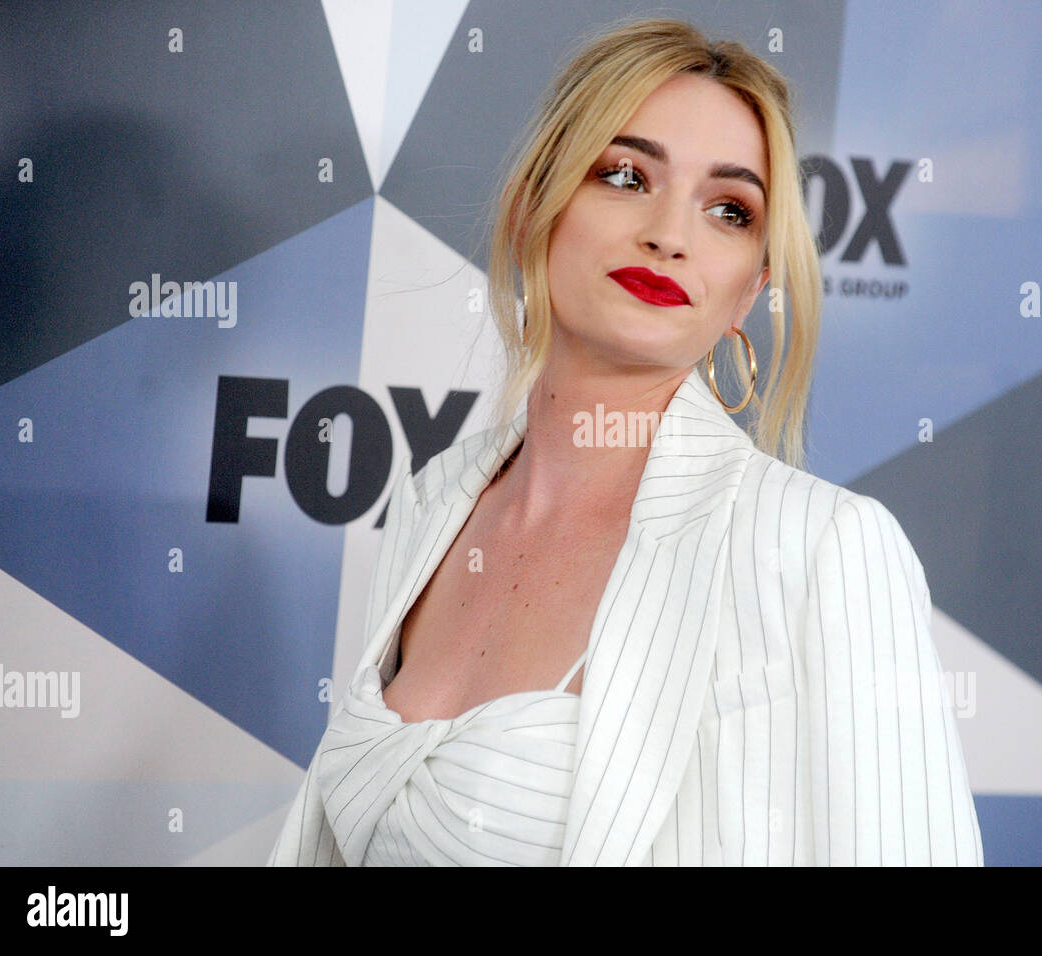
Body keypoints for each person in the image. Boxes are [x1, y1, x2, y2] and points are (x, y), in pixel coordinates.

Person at [268, 16, 983, 866]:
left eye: (728, 209)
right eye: (626, 175)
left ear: (751, 288)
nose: (670, 235)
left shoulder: (820, 547)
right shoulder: (434, 501)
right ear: (538, 201)